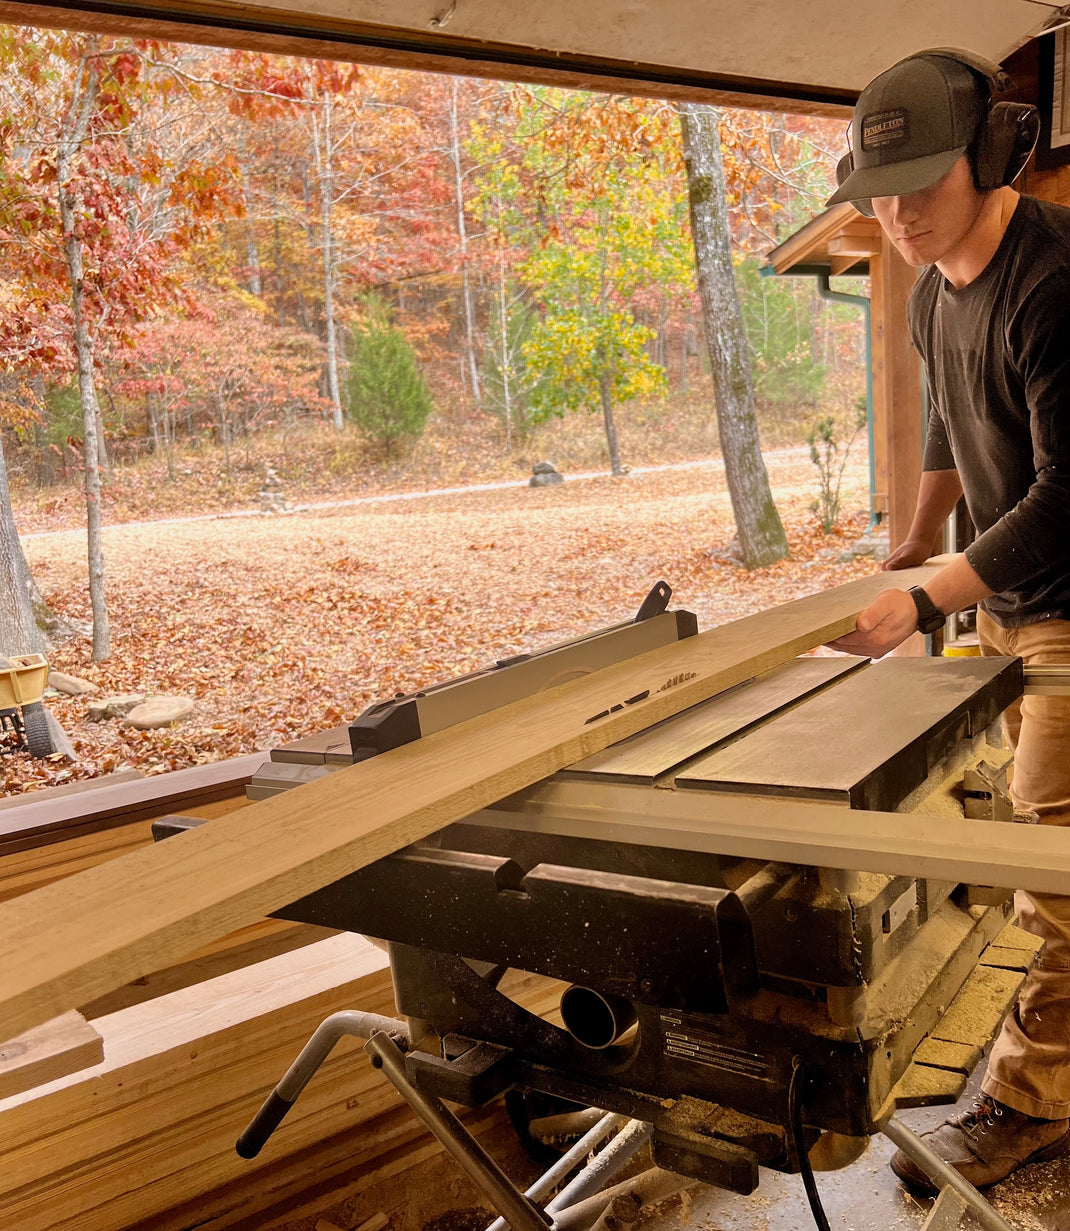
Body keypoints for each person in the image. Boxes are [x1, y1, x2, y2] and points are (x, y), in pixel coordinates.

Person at [826, 48, 1070, 1193]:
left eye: (920, 182)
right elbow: (943, 424)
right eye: (876, 191)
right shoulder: (931, 292)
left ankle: (1031, 1098)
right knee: (1003, 841)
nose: (894, 212)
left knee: (1057, 869)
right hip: (997, 595)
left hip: (1067, 604)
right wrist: (913, 543)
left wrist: (927, 596)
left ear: (986, 155)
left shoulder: (1054, 281)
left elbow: (1066, 497)